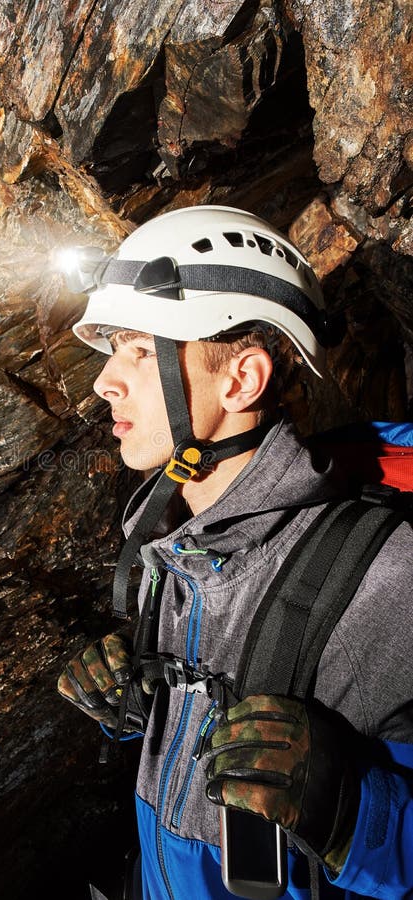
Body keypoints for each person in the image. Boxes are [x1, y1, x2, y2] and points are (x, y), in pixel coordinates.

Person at [56, 206, 413, 899]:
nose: (104, 382)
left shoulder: (389, 576)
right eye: (110, 352)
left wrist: (351, 816)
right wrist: (136, 710)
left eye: (137, 349)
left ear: (240, 381)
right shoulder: (175, 554)